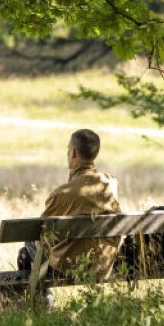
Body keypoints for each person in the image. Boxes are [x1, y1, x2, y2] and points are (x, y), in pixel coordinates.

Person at [18, 128, 121, 306]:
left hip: (70, 268)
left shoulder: (62, 194)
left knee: (28, 248)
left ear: (73, 153)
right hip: (104, 265)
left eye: (68, 149)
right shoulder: (110, 184)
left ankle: (42, 303)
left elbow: (40, 233)